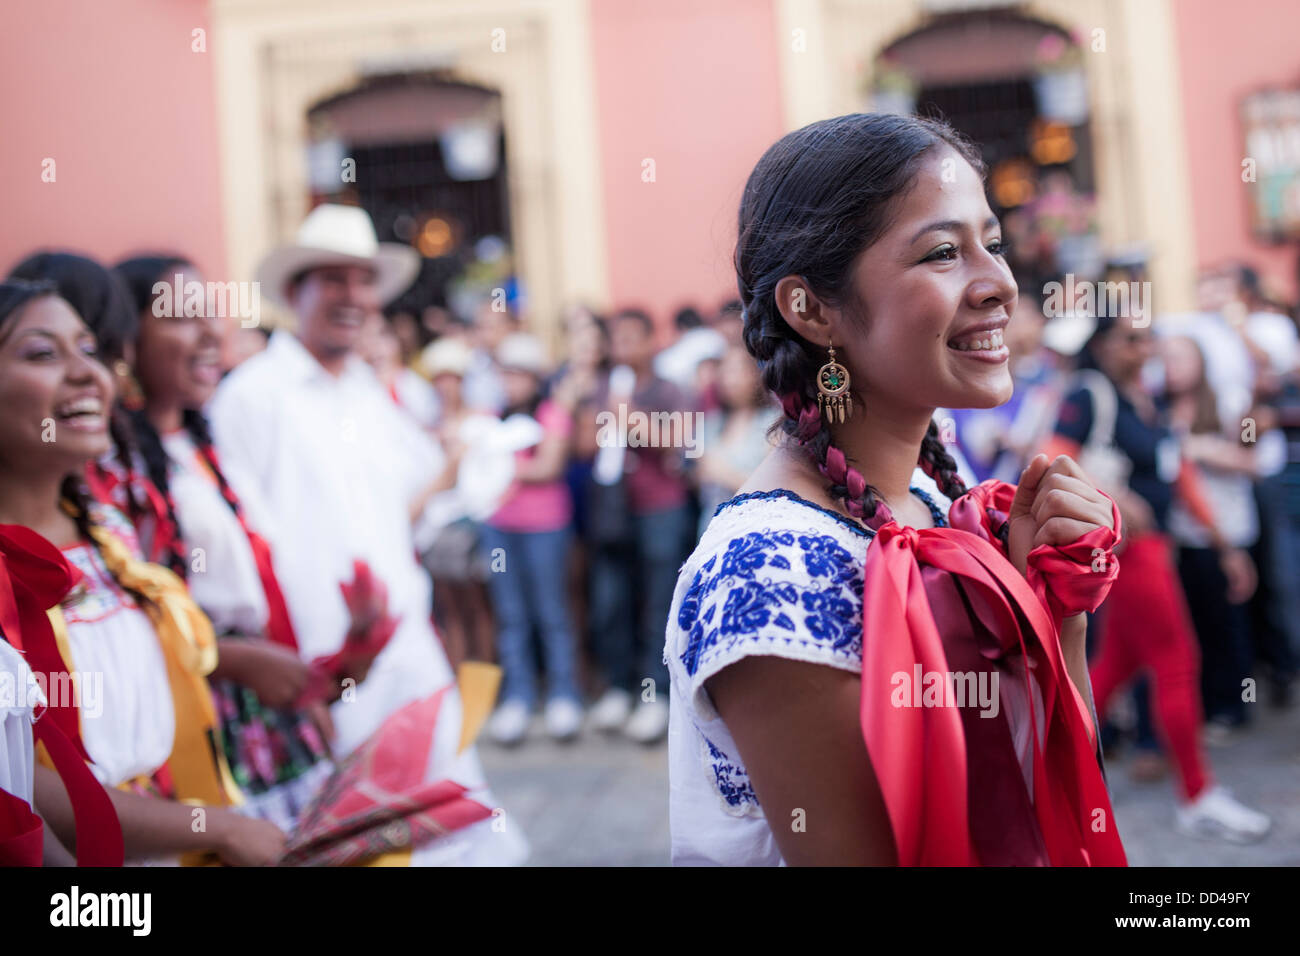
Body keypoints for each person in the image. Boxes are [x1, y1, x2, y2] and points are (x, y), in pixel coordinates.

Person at [665, 113, 1125, 866]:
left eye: (994, 244)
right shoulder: (770, 572)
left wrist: (1054, 613)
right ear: (812, 309)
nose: (1001, 284)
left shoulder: (931, 484)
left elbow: (1041, 777)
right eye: (944, 253)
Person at [208, 204, 527, 865]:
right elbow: (237, 545)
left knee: (451, 823)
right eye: (333, 280)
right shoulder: (250, 397)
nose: (352, 297)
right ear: (296, 291)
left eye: (362, 282)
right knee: (344, 837)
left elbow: (408, 500)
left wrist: (469, 448)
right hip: (319, 663)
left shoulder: (370, 390)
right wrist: (287, 665)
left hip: (405, 644)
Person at [0, 279, 284, 864]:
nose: (87, 373)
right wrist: (216, 830)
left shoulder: (109, 533)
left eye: (88, 349)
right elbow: (15, 783)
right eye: (42, 353)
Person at [112, 254, 354, 830]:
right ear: (126, 341)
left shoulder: (199, 446)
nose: (210, 334)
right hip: (202, 705)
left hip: (260, 704)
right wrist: (237, 661)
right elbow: (131, 616)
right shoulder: (115, 469)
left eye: (212, 316)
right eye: (181, 317)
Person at [1047, 314, 1271, 843]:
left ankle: (1041, 767)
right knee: (1176, 662)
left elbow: (1180, 475)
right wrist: (1117, 498)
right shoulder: (1090, 392)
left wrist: (1222, 544)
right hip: (1128, 550)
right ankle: (1197, 795)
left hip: (1154, 548)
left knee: (1113, 668)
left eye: (1147, 337)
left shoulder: (1149, 399)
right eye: (1132, 338)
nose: (1144, 347)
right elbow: (1055, 457)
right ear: (1102, 346)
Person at [579, 308, 694, 744]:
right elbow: (581, 446)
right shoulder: (605, 388)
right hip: (612, 511)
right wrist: (596, 417)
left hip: (659, 508)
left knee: (658, 603)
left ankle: (655, 695)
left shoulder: (669, 389)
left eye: (631, 338)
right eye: (616, 339)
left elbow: (682, 440)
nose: (623, 347)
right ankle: (616, 688)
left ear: (650, 341)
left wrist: (632, 420)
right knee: (611, 601)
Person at [482, 333, 584, 744]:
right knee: (511, 616)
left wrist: (496, 464)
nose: (510, 382)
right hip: (499, 525)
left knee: (552, 612)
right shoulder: (492, 416)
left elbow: (549, 466)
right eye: (505, 373)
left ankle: (564, 695)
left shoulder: (551, 414)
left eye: (518, 374)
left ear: (534, 377)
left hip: (545, 527)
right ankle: (518, 698)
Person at [1161, 334, 1260, 736]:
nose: (1172, 365)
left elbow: (1254, 460)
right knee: (1192, 624)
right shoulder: (1156, 406)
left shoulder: (1230, 402)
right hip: (1180, 534)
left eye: (1181, 357)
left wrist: (1204, 450)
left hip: (1227, 531)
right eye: (1166, 358)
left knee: (1228, 623)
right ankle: (1202, 705)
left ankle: (1235, 706)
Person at [693, 345, 779, 537]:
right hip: (711, 529)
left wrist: (722, 473)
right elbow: (699, 483)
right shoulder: (711, 424)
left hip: (754, 530)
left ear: (757, 375)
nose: (729, 379)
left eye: (737, 370)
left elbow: (774, 488)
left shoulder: (772, 423)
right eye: (724, 371)